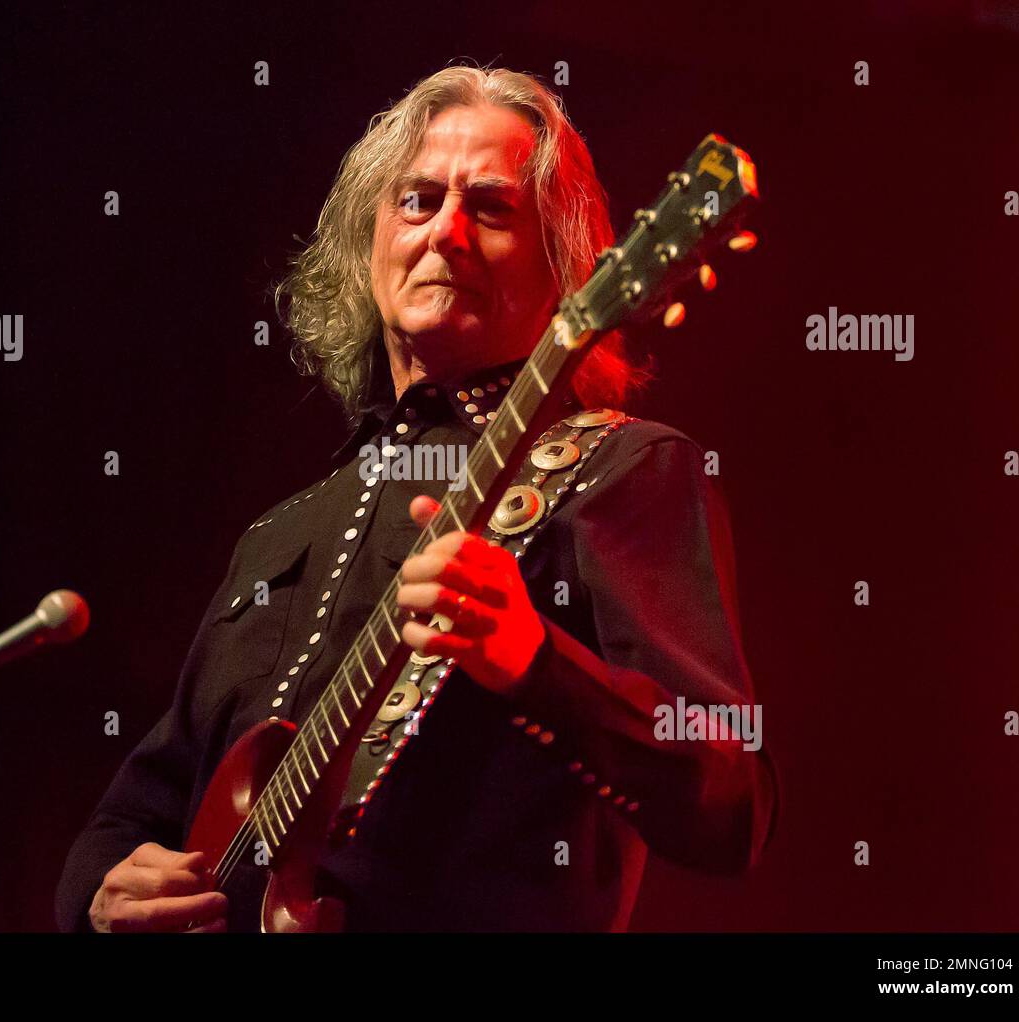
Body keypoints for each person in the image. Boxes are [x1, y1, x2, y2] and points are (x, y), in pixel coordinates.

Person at [55, 64, 778, 933]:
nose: (447, 232)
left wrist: (535, 665)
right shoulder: (279, 532)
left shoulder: (624, 469)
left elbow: (732, 803)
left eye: (492, 207)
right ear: (368, 248)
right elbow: (135, 812)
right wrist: (101, 894)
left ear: (567, 269)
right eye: (417, 201)